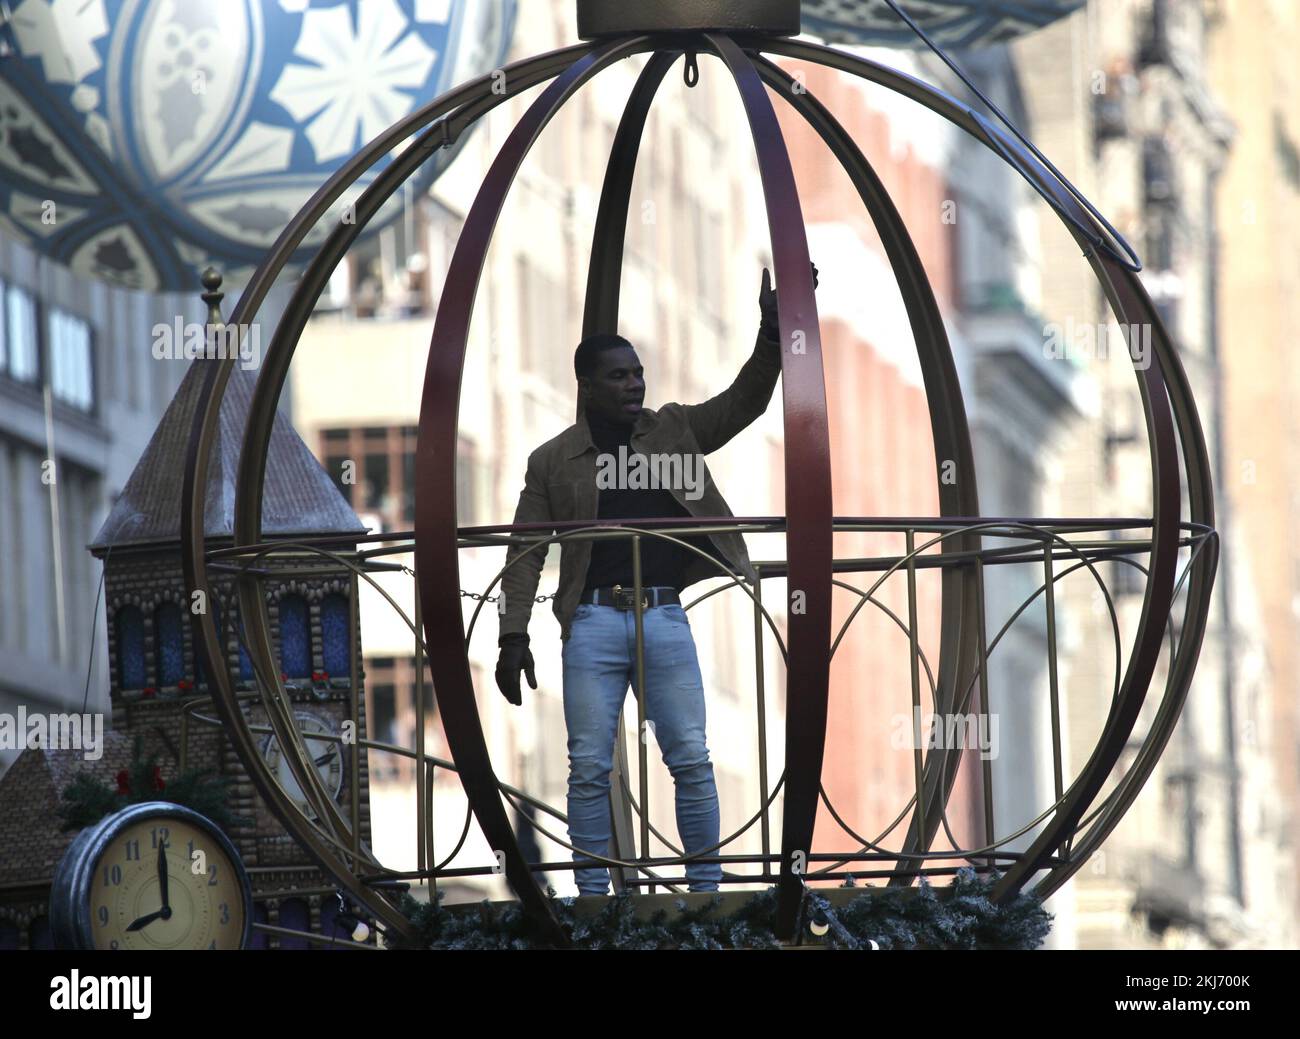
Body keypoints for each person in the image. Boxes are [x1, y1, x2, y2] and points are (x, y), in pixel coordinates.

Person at [495, 263, 818, 895]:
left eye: (638, 373)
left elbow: (746, 400)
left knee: (692, 759)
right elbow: (523, 553)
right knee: (588, 768)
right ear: (586, 386)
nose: (633, 384)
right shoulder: (553, 461)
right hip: (590, 622)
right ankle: (593, 900)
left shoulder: (674, 429)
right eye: (618, 376)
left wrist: (774, 331)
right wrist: (513, 637)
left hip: (664, 615)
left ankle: (705, 894)